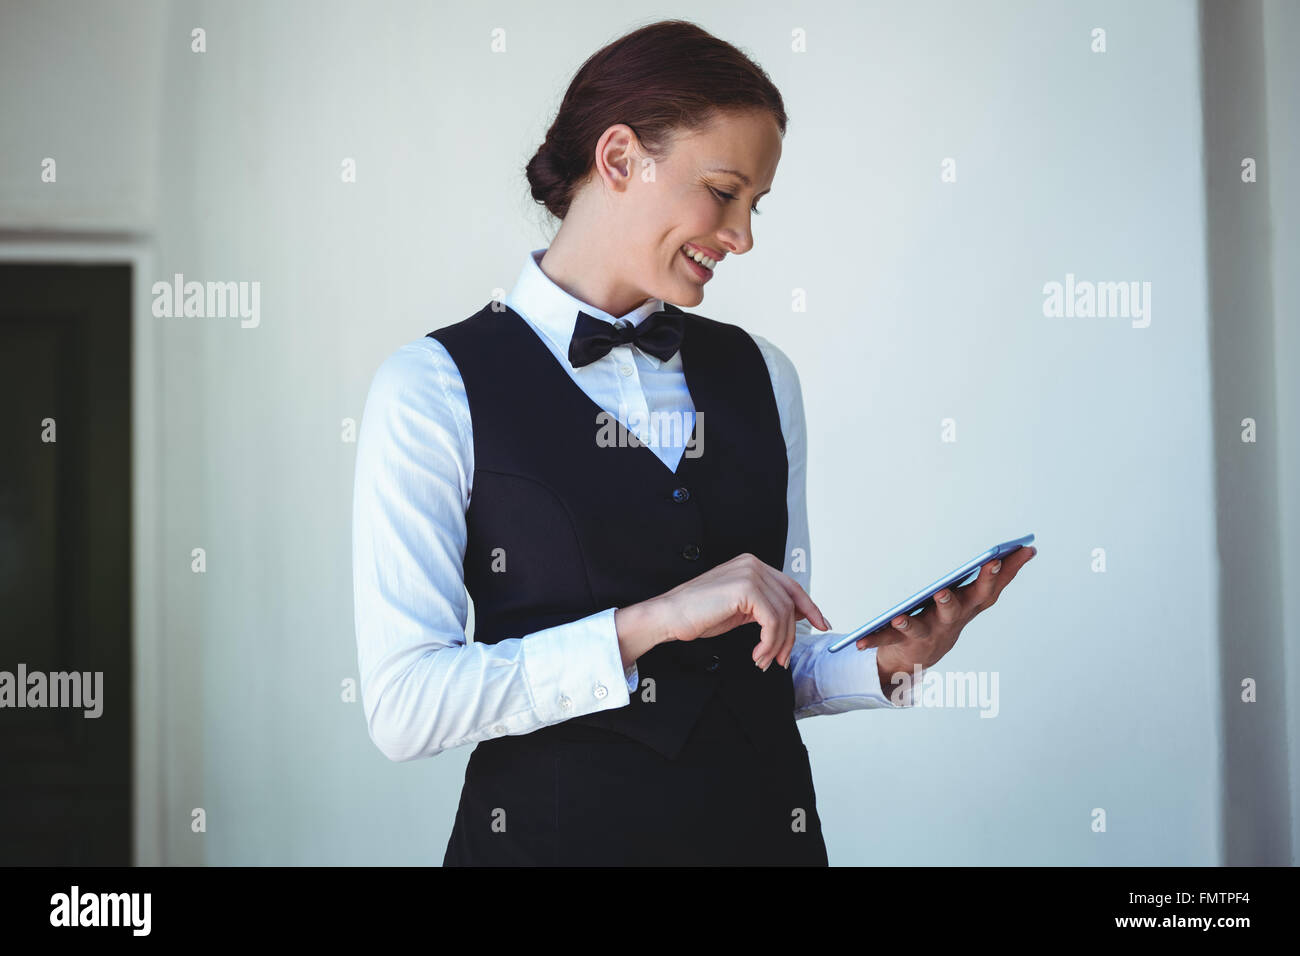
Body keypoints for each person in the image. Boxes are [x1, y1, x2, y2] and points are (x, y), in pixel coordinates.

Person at [351, 19, 1036, 867]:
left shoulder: (765, 374)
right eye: (723, 191)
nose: (743, 237)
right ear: (618, 159)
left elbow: (767, 662)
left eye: (756, 205)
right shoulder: (431, 389)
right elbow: (404, 706)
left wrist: (886, 663)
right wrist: (654, 621)